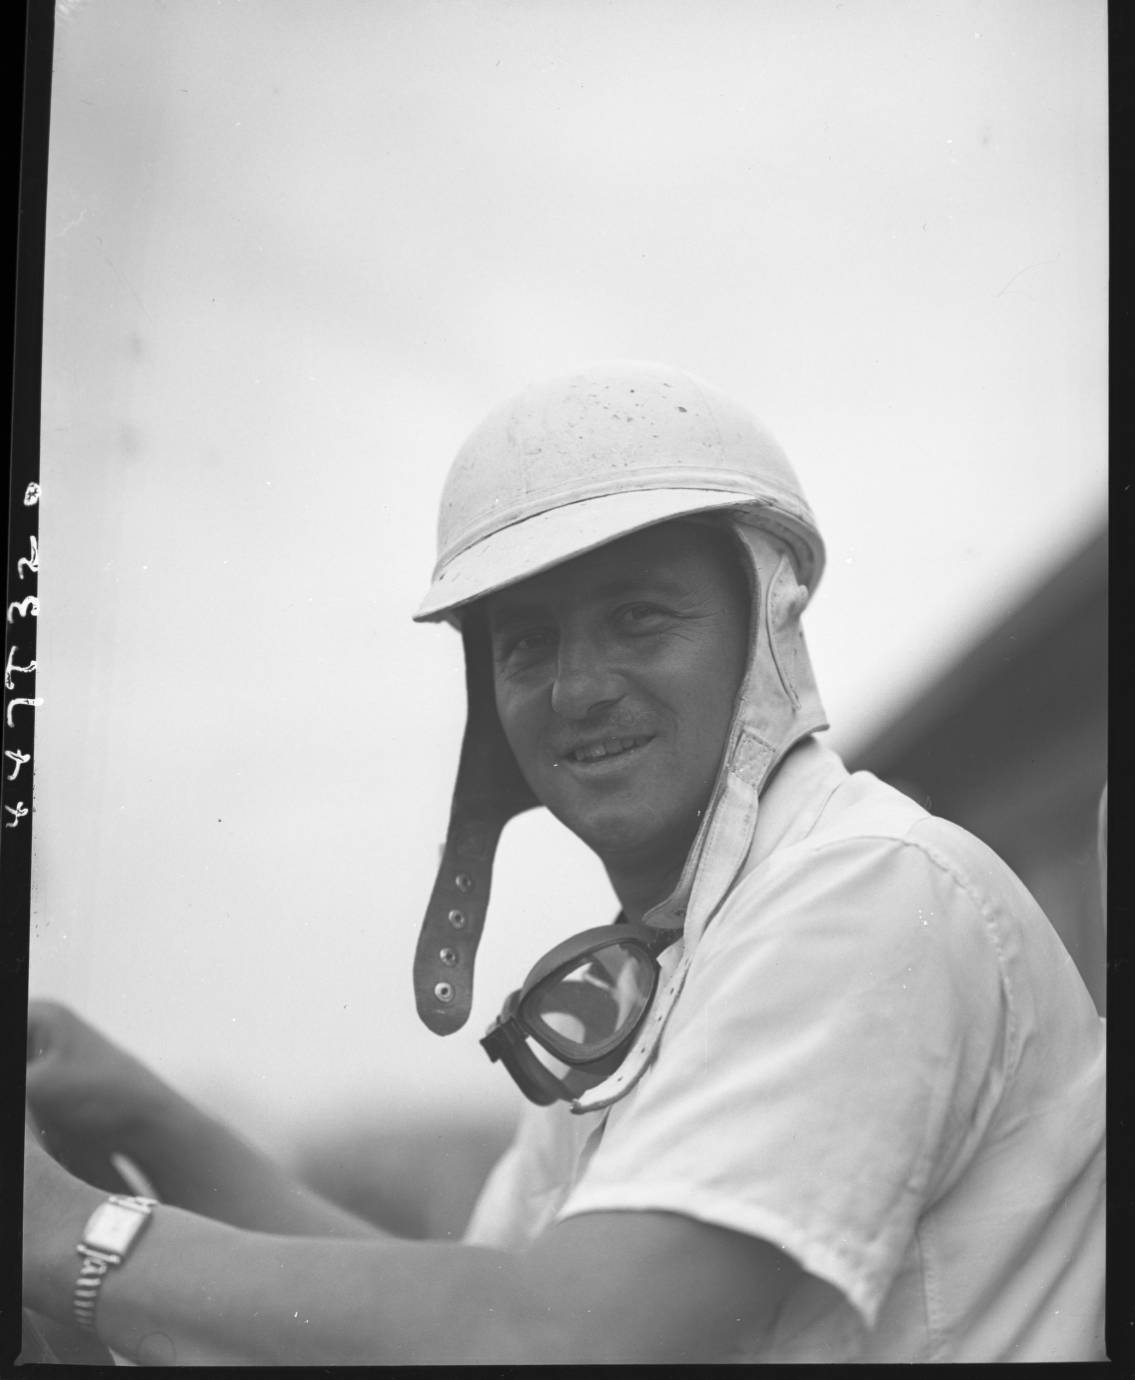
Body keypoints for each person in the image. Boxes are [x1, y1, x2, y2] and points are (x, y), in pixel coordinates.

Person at [22, 362, 1105, 1364]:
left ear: (762, 629)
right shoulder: (652, 974)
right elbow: (468, 1311)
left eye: (638, 618)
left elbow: (555, 1339)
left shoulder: (868, 890)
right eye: (527, 641)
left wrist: (69, 1236)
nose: (576, 687)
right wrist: (148, 1122)